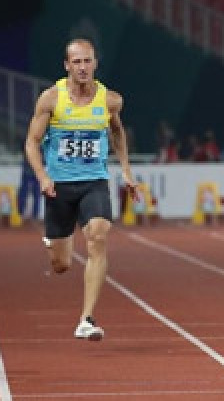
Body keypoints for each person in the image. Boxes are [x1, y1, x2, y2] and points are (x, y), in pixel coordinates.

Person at [24, 38, 137, 342]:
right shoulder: (51, 99)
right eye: (77, 62)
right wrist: (42, 176)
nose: (83, 67)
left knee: (98, 236)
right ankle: (53, 242)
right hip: (58, 187)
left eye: (87, 61)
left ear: (95, 63)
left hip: (94, 181)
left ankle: (86, 318)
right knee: (61, 264)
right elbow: (32, 142)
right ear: (67, 66)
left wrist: (125, 168)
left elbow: (116, 130)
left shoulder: (110, 100)